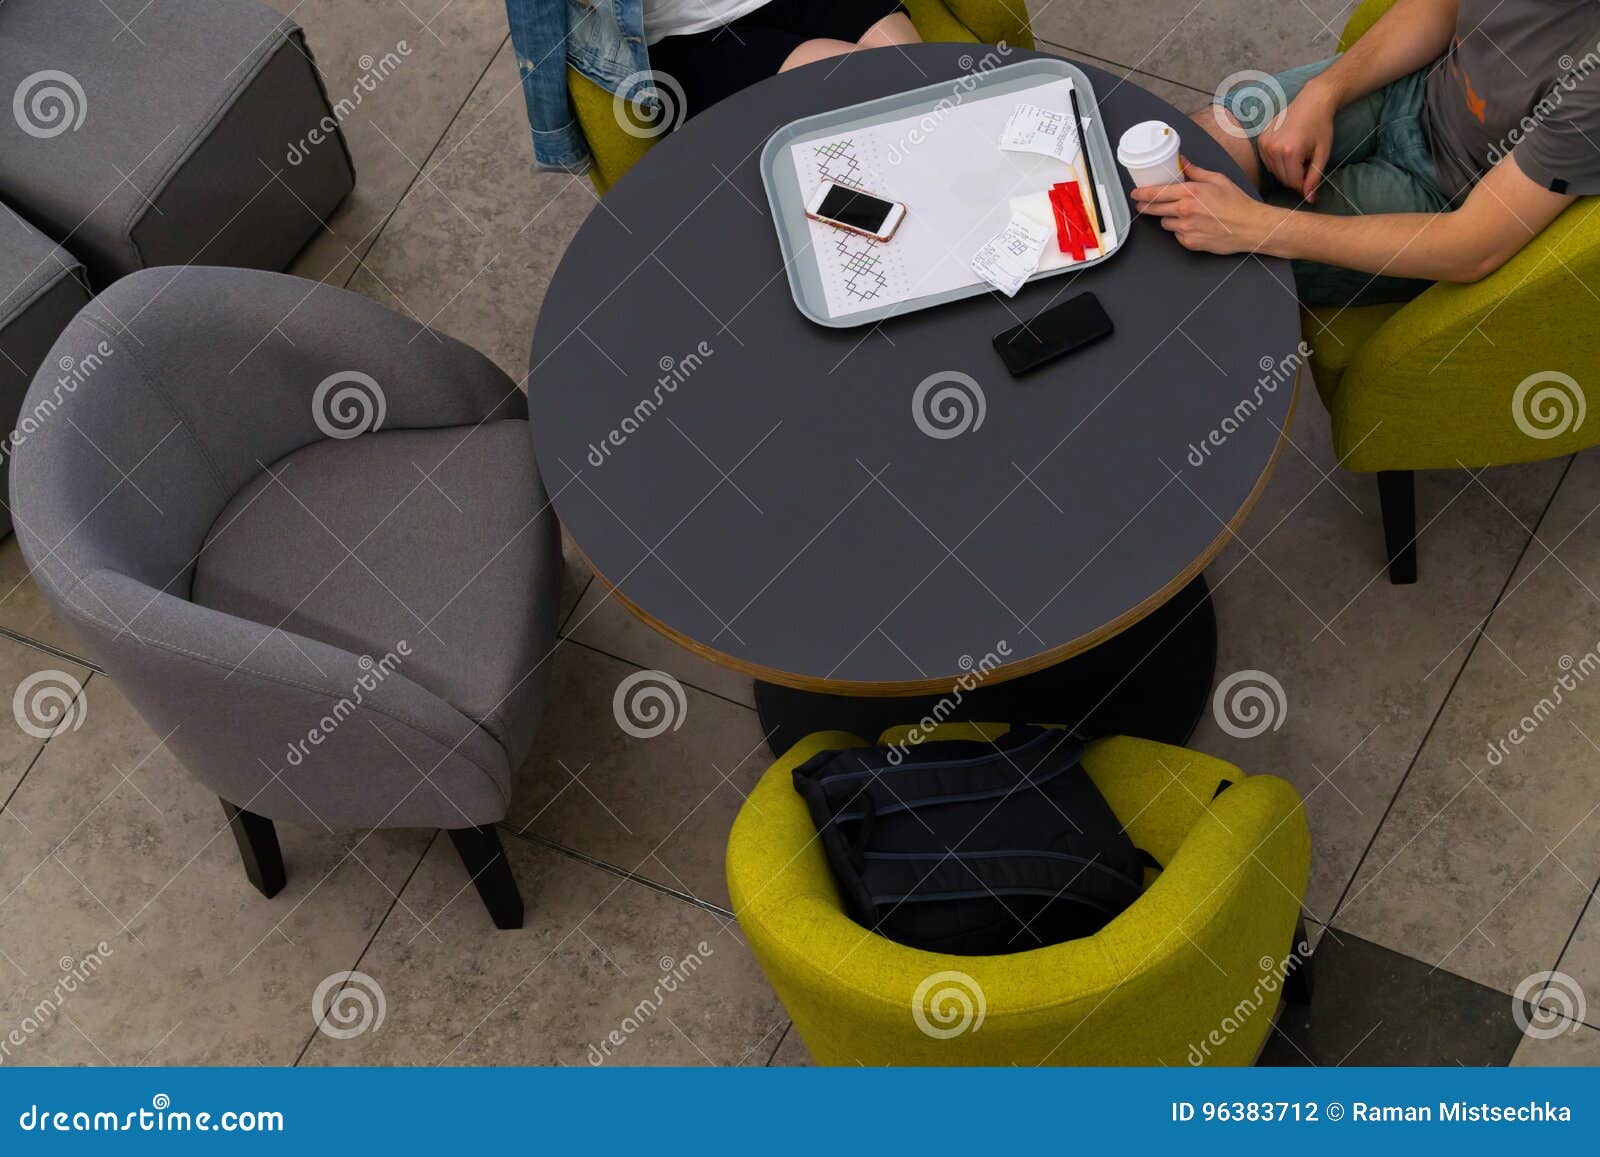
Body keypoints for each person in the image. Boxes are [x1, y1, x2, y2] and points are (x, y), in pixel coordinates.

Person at [1130, 0, 1598, 307]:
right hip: (1411, 82)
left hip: (1442, 194)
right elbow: (1441, 6)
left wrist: (1256, 226)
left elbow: (1474, 247)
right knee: (1186, 153)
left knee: (1194, 254)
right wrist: (1325, 91)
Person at [505, 0, 919, 178]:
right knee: (874, 101)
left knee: (926, 86)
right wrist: (554, 133)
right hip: (695, 39)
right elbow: (534, 14)